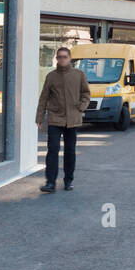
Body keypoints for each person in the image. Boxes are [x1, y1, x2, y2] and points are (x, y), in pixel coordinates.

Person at [37, 47, 90, 192]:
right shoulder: (51, 76)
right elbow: (44, 98)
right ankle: (50, 183)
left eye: (64, 57)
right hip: (55, 118)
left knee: (70, 151)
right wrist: (39, 117)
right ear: (56, 59)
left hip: (73, 119)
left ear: (70, 58)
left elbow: (86, 93)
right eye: (59, 57)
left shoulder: (79, 75)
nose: (62, 59)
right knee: (53, 150)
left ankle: (68, 180)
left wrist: (82, 106)